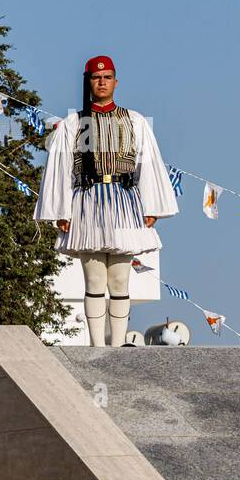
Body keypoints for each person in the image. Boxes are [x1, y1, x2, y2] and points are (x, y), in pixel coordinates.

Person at [34, 55, 179, 347]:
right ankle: (97, 345)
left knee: (120, 280)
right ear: (88, 82)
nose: (102, 82)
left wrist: (152, 207)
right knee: (95, 280)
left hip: (124, 202)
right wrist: (61, 210)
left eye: (107, 77)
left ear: (115, 81)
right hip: (87, 203)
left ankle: (118, 345)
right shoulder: (74, 123)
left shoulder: (134, 121)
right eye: (96, 78)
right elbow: (60, 167)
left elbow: (147, 163)